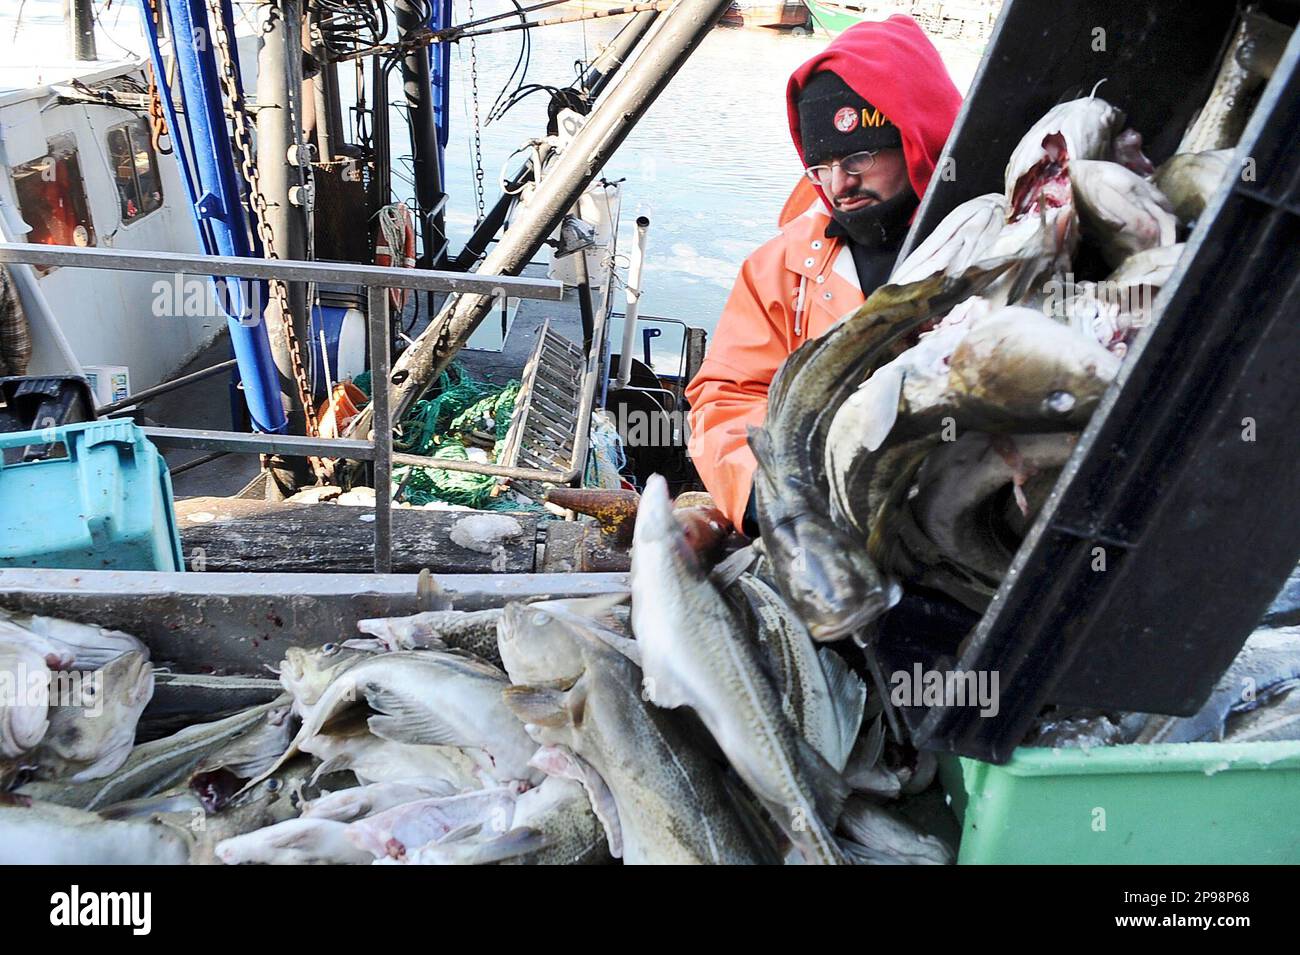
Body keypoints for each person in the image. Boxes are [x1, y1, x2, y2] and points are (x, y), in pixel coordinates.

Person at [684, 16, 962, 535]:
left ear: (912, 135)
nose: (840, 183)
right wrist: (769, 497)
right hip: (833, 521)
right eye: (820, 165)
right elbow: (724, 398)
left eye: (858, 155)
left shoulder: (996, 233)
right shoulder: (778, 268)